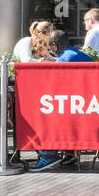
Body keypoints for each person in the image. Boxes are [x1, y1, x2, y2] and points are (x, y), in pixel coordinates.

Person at [30, 31, 90, 172]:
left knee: (42, 116)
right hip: (85, 105)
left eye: (50, 48)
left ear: (55, 45)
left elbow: (54, 85)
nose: (51, 51)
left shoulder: (65, 58)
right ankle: (69, 153)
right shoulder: (79, 55)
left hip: (74, 107)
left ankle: (48, 155)